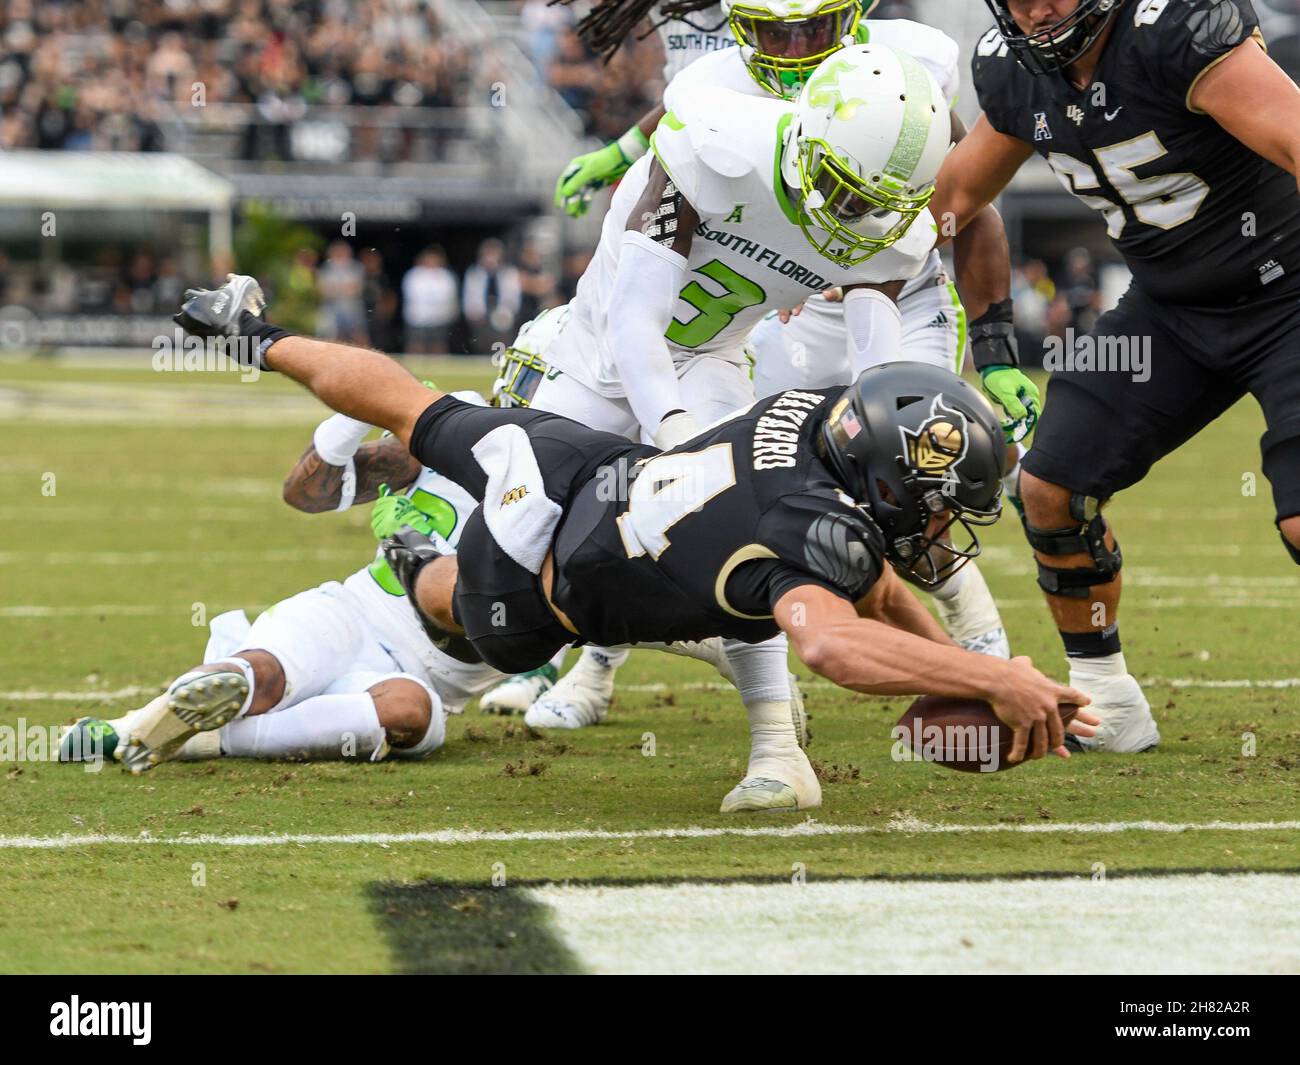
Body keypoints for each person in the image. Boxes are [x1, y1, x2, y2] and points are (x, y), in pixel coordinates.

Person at [158, 272, 1098, 810]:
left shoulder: (812, 412)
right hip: (544, 588)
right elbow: (833, 637)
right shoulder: (814, 531)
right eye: (937, 504)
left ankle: (256, 334)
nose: (938, 526)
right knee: (459, 599)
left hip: (593, 468)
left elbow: (879, 591)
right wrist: (992, 678)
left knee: (420, 406)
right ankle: (412, 572)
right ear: (890, 474)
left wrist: (963, 679)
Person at [929, 0, 1300, 752]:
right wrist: (994, 349)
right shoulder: (1014, 72)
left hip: (1289, 291)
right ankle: (1109, 699)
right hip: (1170, 309)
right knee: (1050, 487)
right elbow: (954, 204)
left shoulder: (1176, 31)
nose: (1038, 11)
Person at [401, 246, 459, 355]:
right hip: (417, 318)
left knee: (438, 344)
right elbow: (411, 296)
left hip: (439, 318)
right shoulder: (414, 275)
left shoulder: (445, 276)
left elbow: (449, 297)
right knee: (415, 344)